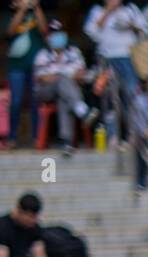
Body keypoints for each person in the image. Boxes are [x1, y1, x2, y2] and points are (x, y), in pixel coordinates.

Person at [85, 1, 148, 146]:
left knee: (132, 95)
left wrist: (131, 26)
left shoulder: (131, 9)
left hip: (128, 57)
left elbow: (145, 31)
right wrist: (108, 11)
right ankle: (112, 136)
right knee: (108, 98)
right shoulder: (96, 10)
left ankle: (134, 135)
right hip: (106, 58)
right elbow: (92, 34)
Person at [32, 20, 99, 156]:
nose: (57, 36)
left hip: (67, 93)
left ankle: (67, 142)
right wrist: (65, 74)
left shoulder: (73, 52)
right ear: (48, 37)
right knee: (62, 81)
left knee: (64, 99)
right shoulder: (43, 54)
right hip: (45, 91)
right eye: (54, 33)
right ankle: (83, 111)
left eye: (60, 33)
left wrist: (59, 74)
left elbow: (81, 74)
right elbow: (42, 78)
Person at [4, 0, 46, 149]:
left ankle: (37, 138)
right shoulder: (6, 16)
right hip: (16, 66)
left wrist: (37, 7)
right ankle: (12, 138)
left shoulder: (36, 14)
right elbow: (10, 31)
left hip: (37, 66)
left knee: (36, 101)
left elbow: (44, 31)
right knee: (16, 102)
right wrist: (21, 11)